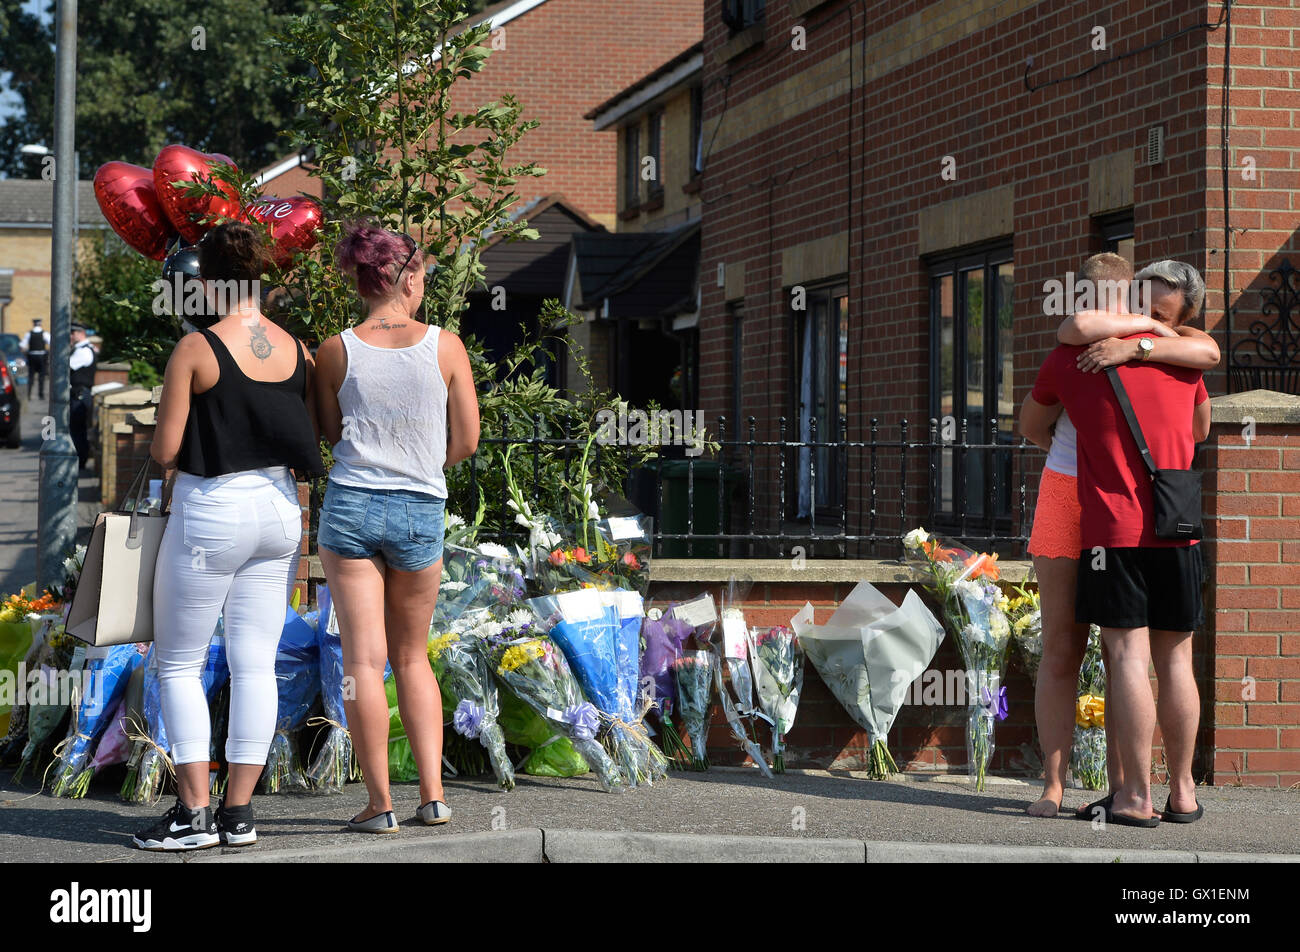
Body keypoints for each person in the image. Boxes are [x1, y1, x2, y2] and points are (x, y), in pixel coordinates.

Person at [137, 222, 324, 851]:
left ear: (208, 282)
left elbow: (166, 450)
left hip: (211, 507)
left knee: (180, 662)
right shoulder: (297, 347)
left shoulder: (196, 349)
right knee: (254, 664)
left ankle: (192, 815)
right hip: (277, 511)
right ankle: (239, 815)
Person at [1018, 254, 1219, 818]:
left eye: (1160, 312)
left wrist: (1140, 345)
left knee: (1123, 654)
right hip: (1167, 518)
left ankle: (1132, 793)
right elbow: (1199, 428)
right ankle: (1173, 791)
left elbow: (1030, 425)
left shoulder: (1081, 358)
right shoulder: (1183, 361)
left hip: (1116, 521)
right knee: (1166, 655)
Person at [315, 223, 479, 833]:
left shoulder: (336, 349)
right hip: (418, 507)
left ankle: (378, 804)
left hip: (353, 503)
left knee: (363, 661)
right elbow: (465, 441)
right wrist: (420, 461)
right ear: (406, 276)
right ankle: (432, 796)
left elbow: (330, 434)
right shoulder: (447, 346)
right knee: (413, 658)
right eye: (422, 276)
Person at [69, 323, 97, 468]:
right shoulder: (83, 349)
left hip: (80, 394)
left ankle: (80, 461)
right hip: (79, 393)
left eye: (72, 333)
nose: (71, 336)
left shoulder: (83, 351)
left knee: (77, 429)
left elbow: (66, 366)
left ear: (80, 333)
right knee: (77, 428)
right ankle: (80, 459)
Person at [22, 319, 47, 400]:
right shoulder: (44, 333)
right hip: (42, 356)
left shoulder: (29, 333)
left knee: (31, 376)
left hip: (32, 356)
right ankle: (41, 394)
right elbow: (51, 342)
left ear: (34, 324)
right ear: (40, 324)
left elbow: (22, 344)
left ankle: (28, 394)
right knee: (41, 377)